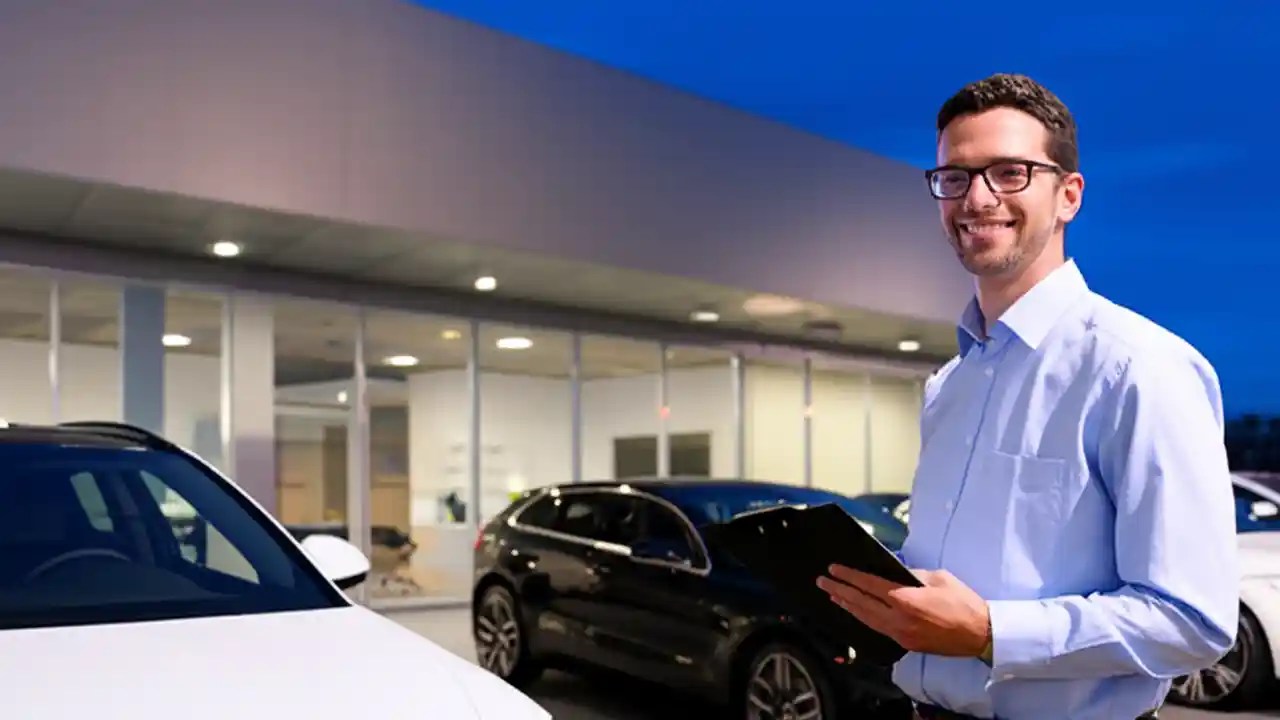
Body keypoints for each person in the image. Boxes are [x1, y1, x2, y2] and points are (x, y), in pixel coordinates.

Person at [816, 73, 1240, 719]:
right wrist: (885, 590)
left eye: (1009, 172)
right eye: (954, 177)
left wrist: (991, 631)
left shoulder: (1140, 369)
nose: (976, 197)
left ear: (1068, 196)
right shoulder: (950, 384)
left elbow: (1193, 621)